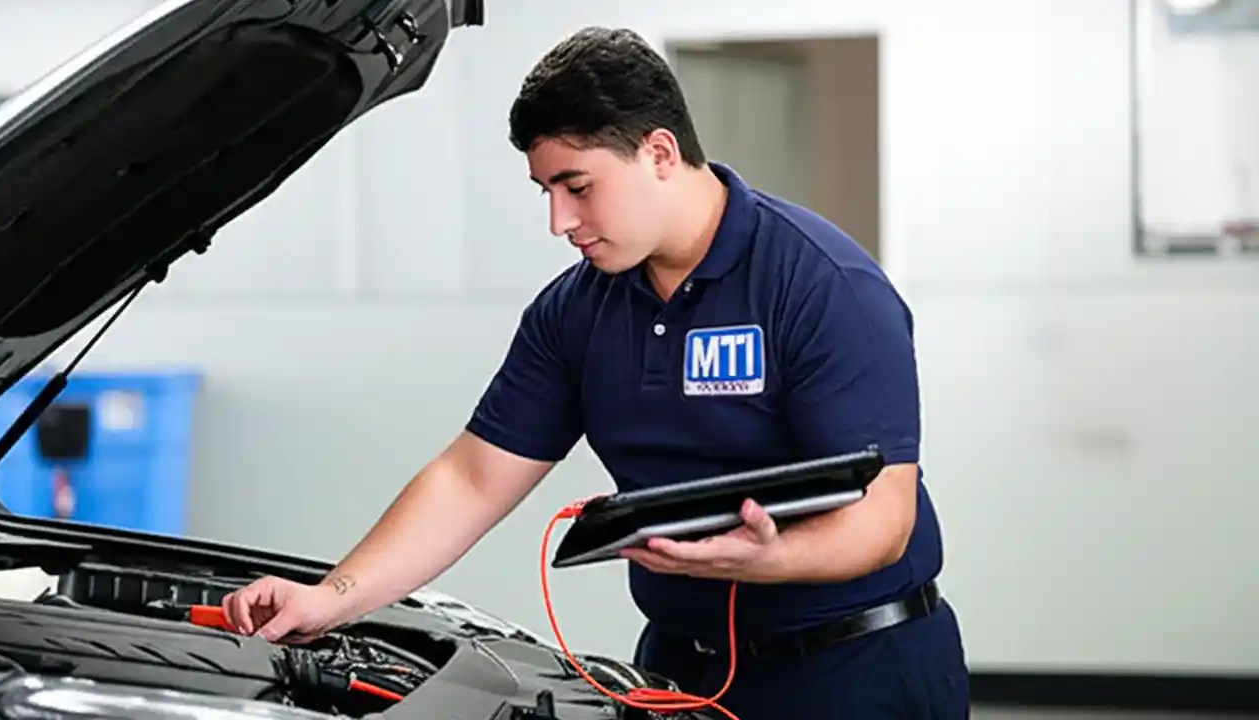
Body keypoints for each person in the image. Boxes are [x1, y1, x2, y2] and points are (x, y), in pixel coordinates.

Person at [221, 26, 970, 718]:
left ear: (661, 153)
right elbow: (473, 477)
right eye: (545, 192)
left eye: (578, 187)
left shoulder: (821, 285)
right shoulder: (576, 311)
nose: (560, 221)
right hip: (683, 673)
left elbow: (884, 521)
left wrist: (774, 556)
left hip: (854, 671)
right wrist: (332, 598)